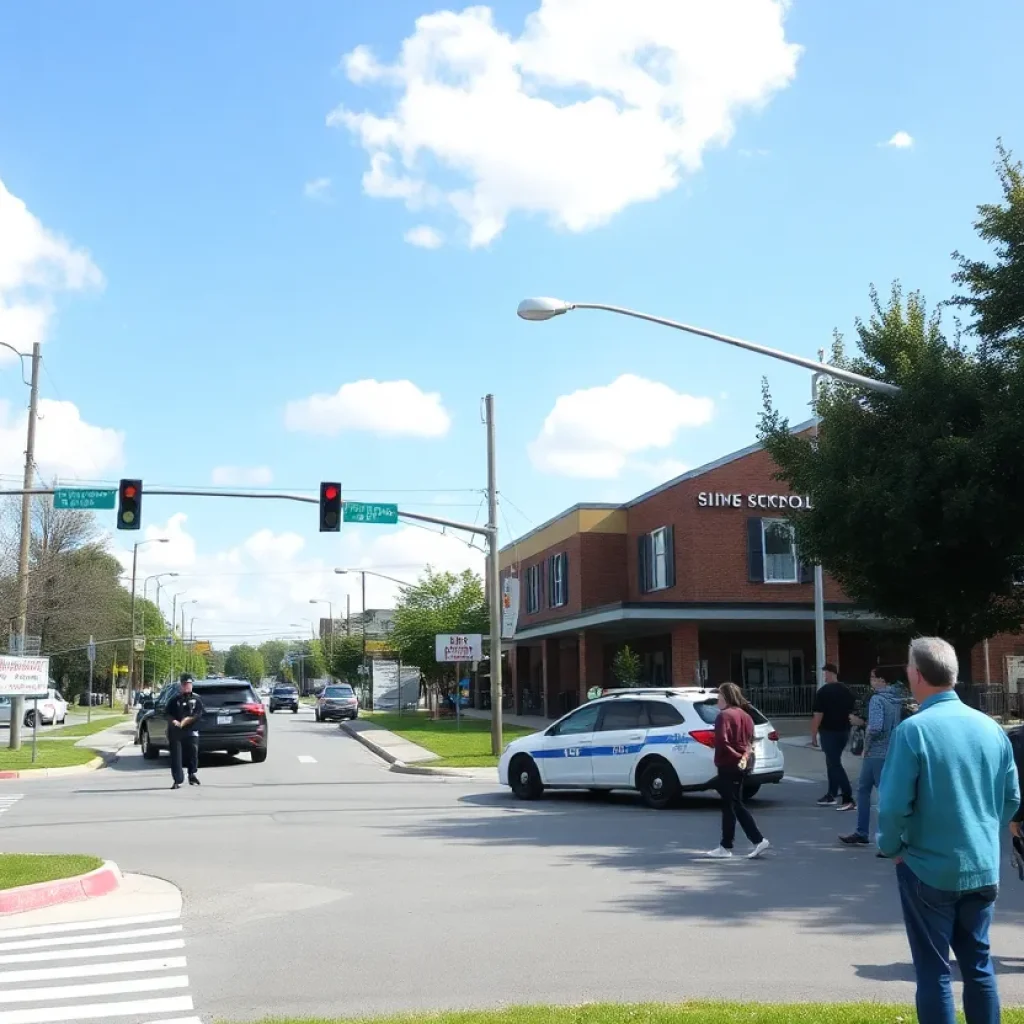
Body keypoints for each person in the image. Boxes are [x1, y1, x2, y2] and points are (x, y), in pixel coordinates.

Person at [877, 637, 1020, 1024]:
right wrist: (984, 828)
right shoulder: (991, 729)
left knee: (934, 971)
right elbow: (1011, 799)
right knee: (978, 966)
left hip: (928, 868)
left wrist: (892, 847)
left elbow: (891, 806)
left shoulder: (914, 730)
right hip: (982, 865)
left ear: (916, 675)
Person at [840, 669, 906, 851]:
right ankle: (863, 832)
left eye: (873, 678)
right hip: (890, 749)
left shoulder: (877, 699)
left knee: (877, 794)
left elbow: (875, 727)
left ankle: (886, 838)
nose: (871, 681)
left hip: (875, 753)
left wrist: (865, 741)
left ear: (881, 680)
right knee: (867, 790)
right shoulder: (896, 699)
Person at [705, 682, 770, 860]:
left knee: (734, 804)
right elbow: (750, 742)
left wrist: (736, 757)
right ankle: (725, 846)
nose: (717, 700)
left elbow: (723, 742)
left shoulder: (724, 716)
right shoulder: (746, 716)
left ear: (726, 697)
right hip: (743, 764)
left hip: (729, 765)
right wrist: (744, 757)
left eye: (719, 696)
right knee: (729, 804)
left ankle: (757, 839)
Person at [810, 662, 856, 811]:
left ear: (829, 673)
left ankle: (847, 796)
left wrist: (813, 734)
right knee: (832, 762)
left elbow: (818, 715)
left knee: (834, 763)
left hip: (829, 731)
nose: (824, 676)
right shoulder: (847, 691)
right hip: (844, 731)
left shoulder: (823, 692)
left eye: (825, 673)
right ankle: (831, 793)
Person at [166, 673, 205, 790]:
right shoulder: (174, 700)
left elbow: (197, 715)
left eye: (189, 684)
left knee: (193, 751)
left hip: (191, 730)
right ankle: (178, 779)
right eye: (184, 684)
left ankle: (192, 774)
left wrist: (184, 722)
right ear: (181, 686)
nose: (187, 686)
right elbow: (168, 714)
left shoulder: (197, 700)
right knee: (176, 756)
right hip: (176, 732)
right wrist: (173, 721)